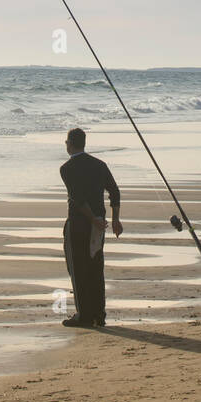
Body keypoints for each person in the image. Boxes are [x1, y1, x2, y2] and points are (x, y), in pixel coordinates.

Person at [59, 127, 122, 328]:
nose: (66, 145)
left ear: (70, 144)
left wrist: (93, 218)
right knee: (96, 267)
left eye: (67, 142)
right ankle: (99, 314)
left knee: (78, 268)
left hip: (79, 223)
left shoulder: (67, 168)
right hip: (99, 226)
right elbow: (114, 192)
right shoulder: (100, 165)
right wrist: (115, 220)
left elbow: (77, 198)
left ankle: (85, 315)